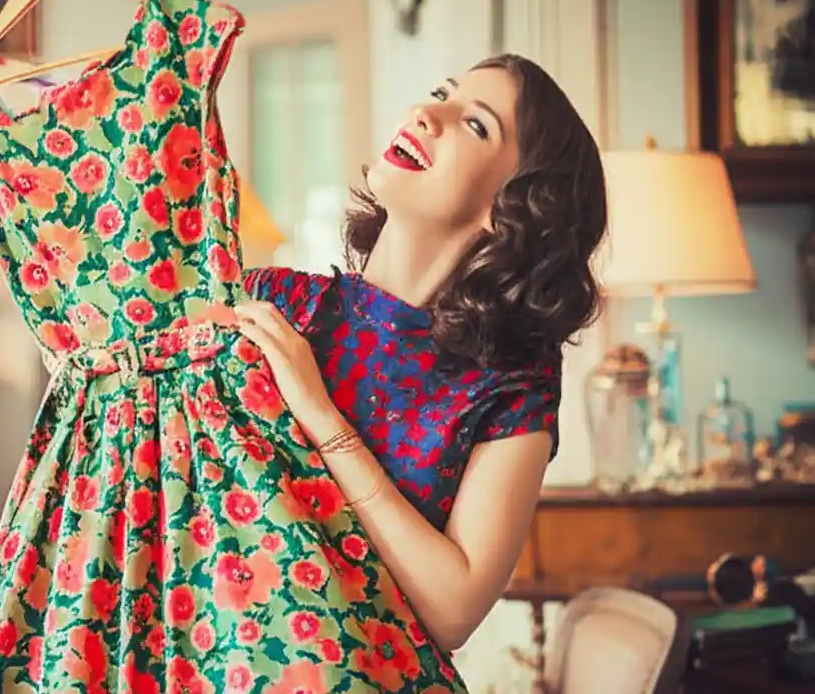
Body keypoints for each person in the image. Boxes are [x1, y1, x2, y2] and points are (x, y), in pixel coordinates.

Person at [234, 53, 607, 652]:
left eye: (476, 123)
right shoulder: (270, 305)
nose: (427, 112)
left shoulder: (514, 384)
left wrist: (320, 416)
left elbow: (454, 610)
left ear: (511, 205)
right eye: (442, 92)